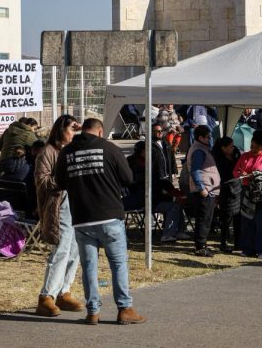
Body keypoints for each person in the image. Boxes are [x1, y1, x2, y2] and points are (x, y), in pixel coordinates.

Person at [55, 118, 145, 325]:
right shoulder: (109, 148)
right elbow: (128, 178)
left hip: (81, 217)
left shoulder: (66, 152)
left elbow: (60, 182)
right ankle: (124, 309)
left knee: (88, 266)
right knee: (118, 263)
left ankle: (93, 311)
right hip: (109, 214)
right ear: (100, 131)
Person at [34, 115, 84, 317]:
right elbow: (41, 180)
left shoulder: (73, 150)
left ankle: (64, 291)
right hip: (58, 203)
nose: (74, 133)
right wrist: (62, 181)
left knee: (75, 250)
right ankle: (47, 295)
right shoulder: (48, 152)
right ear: (61, 130)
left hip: (75, 202)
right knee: (61, 250)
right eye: (72, 129)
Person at [233, 131, 262, 258]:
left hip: (261, 193)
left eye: (256, 147)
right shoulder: (245, 156)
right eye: (251, 146)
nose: (253, 149)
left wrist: (256, 175)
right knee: (247, 221)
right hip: (246, 191)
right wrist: (241, 174)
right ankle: (248, 248)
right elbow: (235, 171)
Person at [150, 123, 188, 243]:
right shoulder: (149, 146)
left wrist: (174, 172)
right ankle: (168, 233)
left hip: (167, 180)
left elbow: (170, 158)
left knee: (178, 202)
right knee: (172, 205)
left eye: (161, 131)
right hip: (157, 183)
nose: (159, 133)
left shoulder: (166, 144)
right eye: (157, 131)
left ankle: (180, 231)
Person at [187, 125, 221, 257]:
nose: (210, 139)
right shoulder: (198, 151)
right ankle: (200, 246)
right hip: (205, 189)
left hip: (208, 188)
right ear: (200, 137)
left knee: (206, 219)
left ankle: (202, 244)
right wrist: (202, 188)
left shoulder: (202, 149)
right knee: (204, 219)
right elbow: (195, 170)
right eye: (208, 137)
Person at [213, 136, 242, 253]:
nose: (232, 148)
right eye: (230, 146)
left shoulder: (235, 154)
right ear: (223, 148)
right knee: (226, 218)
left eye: (233, 145)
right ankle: (223, 243)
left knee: (237, 218)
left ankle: (238, 243)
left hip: (237, 188)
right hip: (226, 190)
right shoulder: (219, 159)